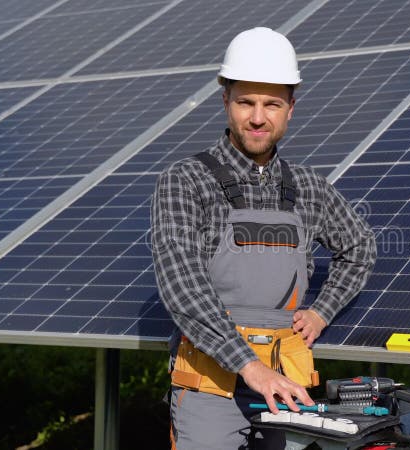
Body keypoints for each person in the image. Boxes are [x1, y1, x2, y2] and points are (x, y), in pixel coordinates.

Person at [151, 27, 376, 450]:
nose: (258, 117)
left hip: (288, 381)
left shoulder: (310, 187)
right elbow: (182, 284)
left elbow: (359, 247)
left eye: (272, 104)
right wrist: (249, 367)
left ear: (291, 108)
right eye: (245, 102)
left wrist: (323, 311)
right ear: (225, 102)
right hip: (209, 385)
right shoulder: (186, 180)